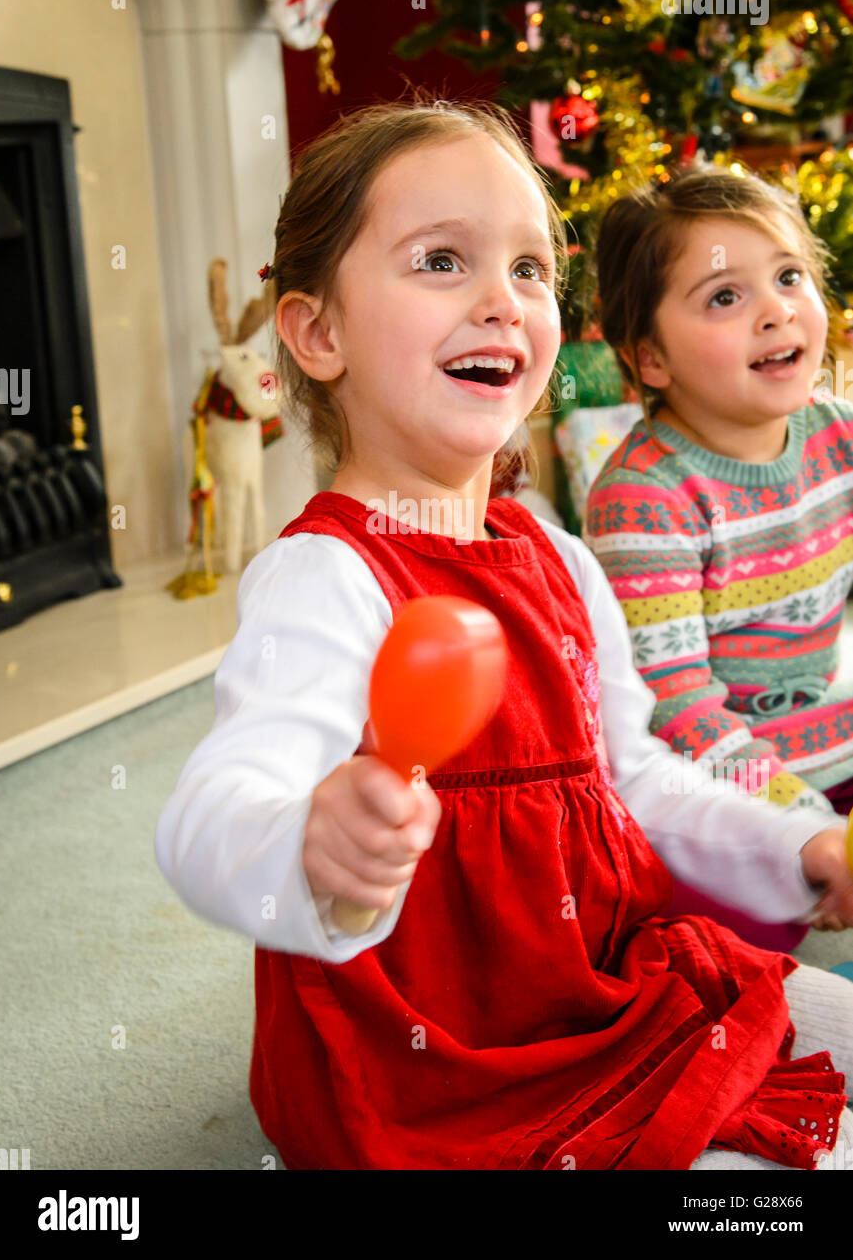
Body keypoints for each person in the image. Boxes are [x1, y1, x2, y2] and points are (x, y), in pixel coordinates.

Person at [154, 98, 853, 1171]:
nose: (500, 300)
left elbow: (635, 781)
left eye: (529, 270)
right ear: (317, 332)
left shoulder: (562, 560)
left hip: (590, 981)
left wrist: (793, 844)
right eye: (441, 260)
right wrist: (306, 845)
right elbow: (208, 812)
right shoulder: (327, 577)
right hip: (429, 1062)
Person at [585, 163, 853, 954]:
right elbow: (678, 708)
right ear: (650, 359)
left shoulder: (836, 436)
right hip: (713, 782)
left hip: (831, 745)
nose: (773, 312)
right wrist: (798, 829)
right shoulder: (644, 497)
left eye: (787, 277)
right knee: (716, 950)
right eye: (724, 297)